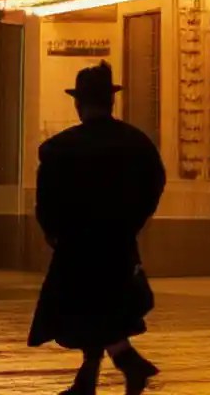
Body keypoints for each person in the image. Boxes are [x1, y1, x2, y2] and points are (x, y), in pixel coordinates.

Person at [28, 62, 166, 395]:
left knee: (84, 310)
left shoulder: (60, 148)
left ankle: (118, 368)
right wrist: (133, 220)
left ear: (79, 103)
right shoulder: (136, 143)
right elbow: (155, 183)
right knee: (107, 308)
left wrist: (53, 230)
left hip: (75, 244)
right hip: (117, 241)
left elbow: (46, 198)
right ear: (111, 101)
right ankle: (98, 375)